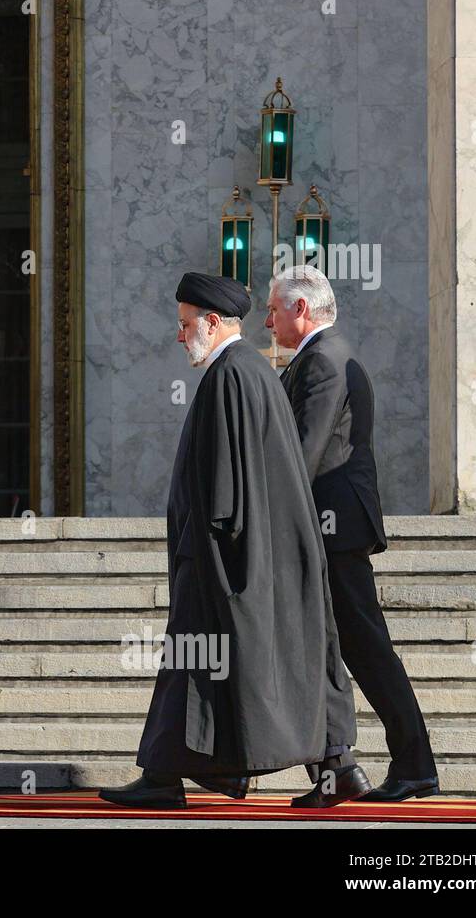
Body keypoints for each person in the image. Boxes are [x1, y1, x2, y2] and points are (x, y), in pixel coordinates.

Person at [99, 271, 367, 810]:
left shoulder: (230, 374)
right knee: (268, 659)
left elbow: (225, 481)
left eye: (185, 324)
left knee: (200, 658)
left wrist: (211, 551)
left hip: (228, 553)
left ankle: (164, 778)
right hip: (255, 551)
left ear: (213, 322)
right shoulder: (250, 370)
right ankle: (333, 766)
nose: (179, 335)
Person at [267, 264, 438, 802]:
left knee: (366, 648)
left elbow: (303, 451)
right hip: (328, 526)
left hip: (331, 528)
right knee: (325, 649)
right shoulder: (320, 357)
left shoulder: (323, 360)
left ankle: (415, 766)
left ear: (300, 309)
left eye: (273, 309)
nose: (267, 319)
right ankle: (336, 771)